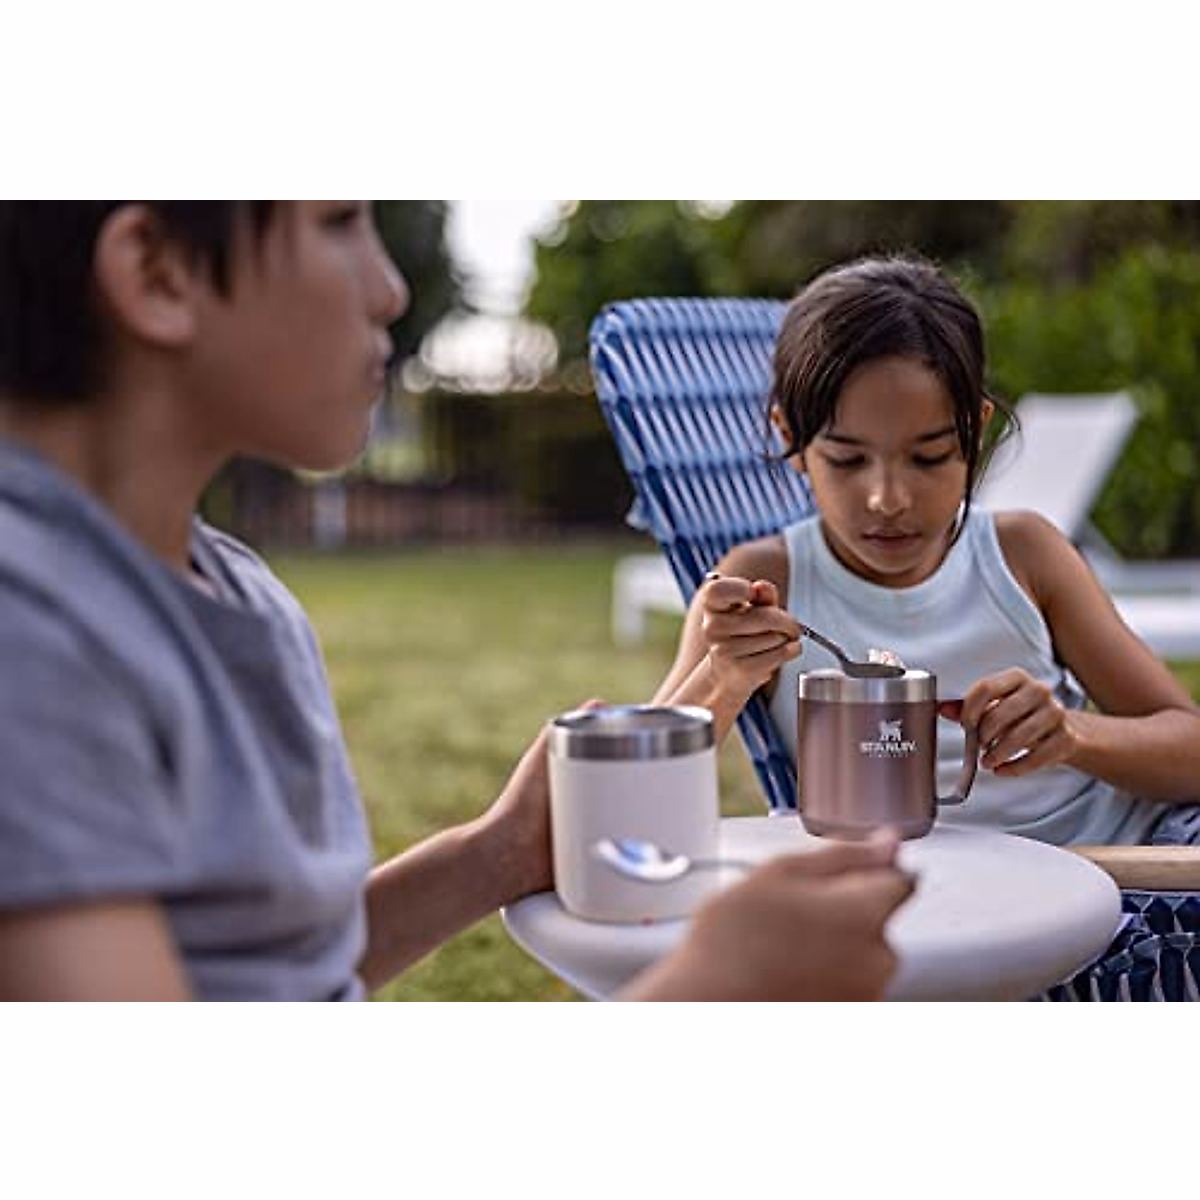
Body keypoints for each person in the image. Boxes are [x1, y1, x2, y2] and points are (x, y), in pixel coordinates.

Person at [0, 202, 914, 1001]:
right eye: (338, 223)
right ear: (158, 273)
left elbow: (266, 982)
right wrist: (719, 992)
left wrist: (502, 851)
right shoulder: (32, 642)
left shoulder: (232, 587)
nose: (390, 288)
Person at [657, 255, 1200, 849]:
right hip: (919, 903)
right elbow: (644, 782)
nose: (888, 499)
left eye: (929, 456)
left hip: (1115, 870)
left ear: (975, 431)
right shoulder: (767, 583)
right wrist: (725, 676)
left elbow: (1187, 747)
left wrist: (1072, 734)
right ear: (791, 439)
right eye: (847, 460)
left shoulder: (1024, 555)